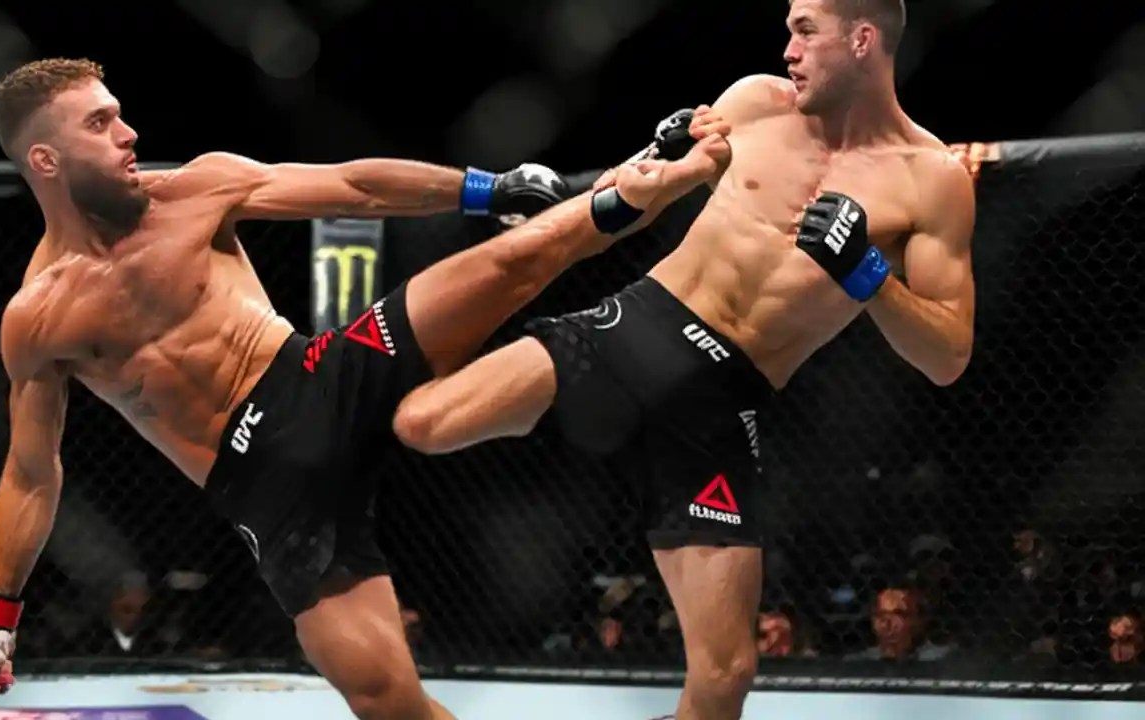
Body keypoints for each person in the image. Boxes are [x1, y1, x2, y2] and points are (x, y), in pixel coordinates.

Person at [0, 57, 733, 719]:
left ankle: (650, 180)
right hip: (263, 484)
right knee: (388, 699)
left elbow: (353, 187)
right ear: (44, 160)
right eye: (99, 124)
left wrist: (486, 189)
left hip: (319, 375)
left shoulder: (194, 191)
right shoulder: (39, 316)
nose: (129, 134)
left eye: (119, 115)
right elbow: (31, 471)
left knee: (511, 259)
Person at [391, 0, 977, 717]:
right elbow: (645, 186)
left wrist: (870, 275)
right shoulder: (755, 102)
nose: (787, 48)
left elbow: (948, 355)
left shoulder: (931, 180)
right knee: (421, 421)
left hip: (724, 397)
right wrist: (661, 155)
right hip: (634, 325)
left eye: (803, 31)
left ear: (861, 40)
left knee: (725, 677)